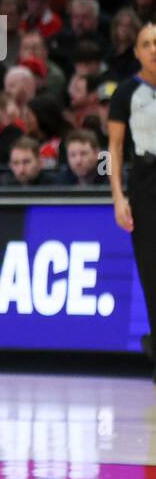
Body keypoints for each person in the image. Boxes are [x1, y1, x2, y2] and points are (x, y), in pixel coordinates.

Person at [107, 21, 156, 372]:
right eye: (147, 43)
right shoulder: (126, 92)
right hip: (145, 184)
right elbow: (115, 148)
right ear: (137, 51)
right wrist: (118, 197)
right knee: (151, 271)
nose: (153, 48)